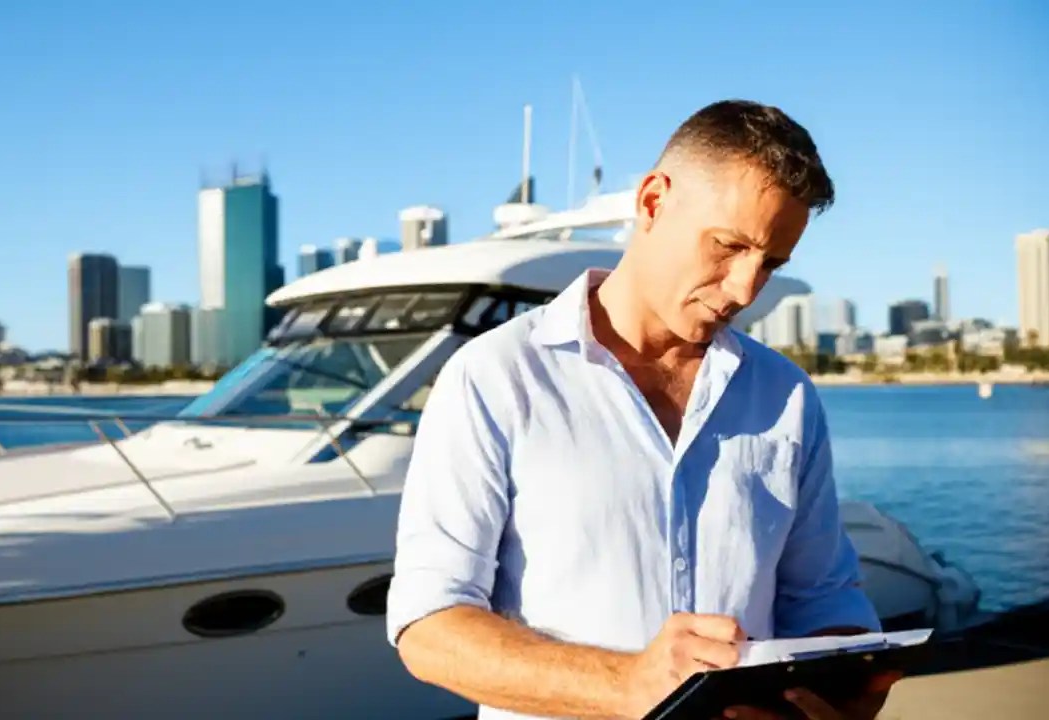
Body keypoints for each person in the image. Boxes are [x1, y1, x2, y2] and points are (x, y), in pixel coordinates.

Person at [386, 100, 901, 720]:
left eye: (770, 263)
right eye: (729, 246)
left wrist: (832, 702)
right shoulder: (494, 377)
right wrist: (626, 683)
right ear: (654, 201)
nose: (745, 288)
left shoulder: (786, 396)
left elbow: (826, 605)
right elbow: (428, 627)